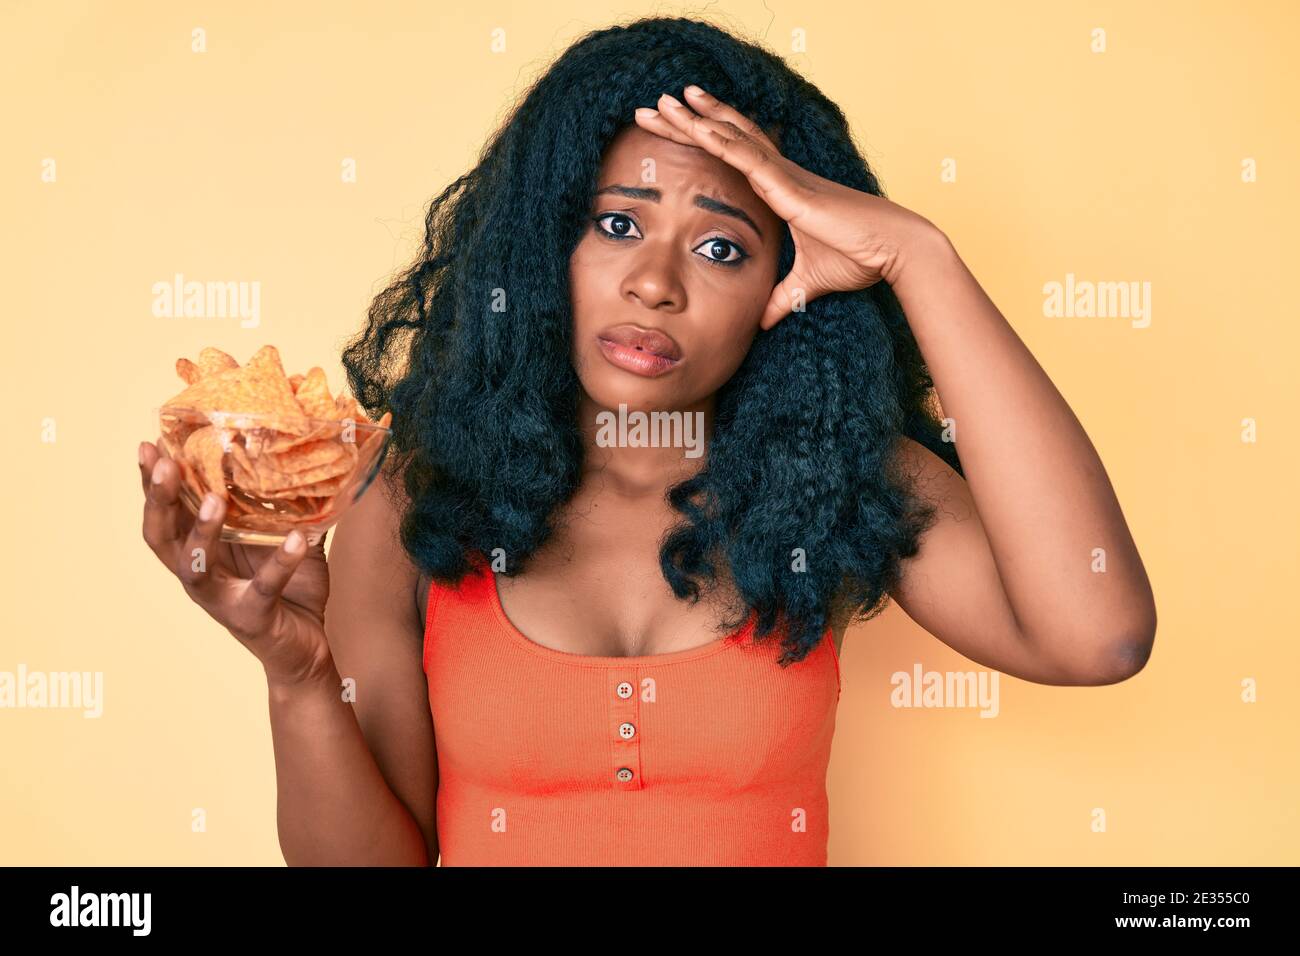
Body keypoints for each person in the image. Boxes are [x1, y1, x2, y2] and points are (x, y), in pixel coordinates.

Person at [137, 16, 1156, 866]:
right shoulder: (415, 494)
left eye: (721, 246)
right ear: (545, 245)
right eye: (617, 224)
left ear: (785, 282)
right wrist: (297, 675)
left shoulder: (837, 475)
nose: (656, 282)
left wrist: (917, 255)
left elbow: (1096, 634)